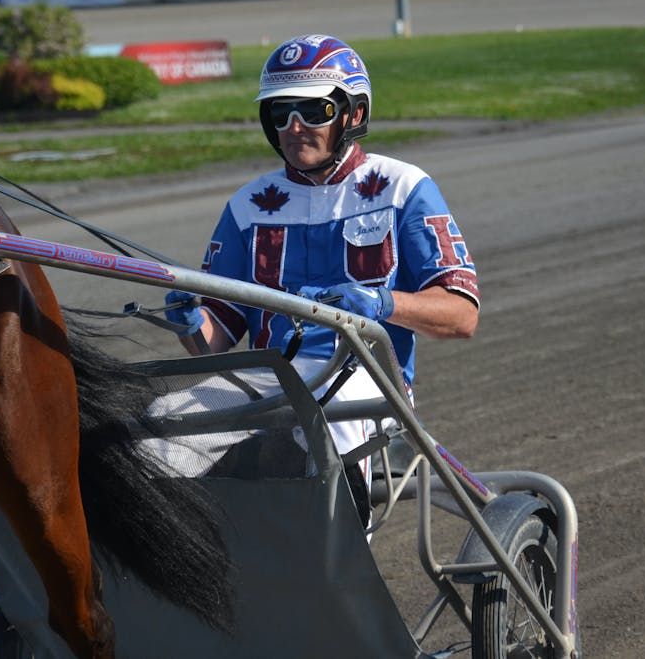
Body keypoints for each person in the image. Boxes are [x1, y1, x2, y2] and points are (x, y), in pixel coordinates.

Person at [165, 34, 479, 520]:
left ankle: (337, 576)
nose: (294, 128)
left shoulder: (402, 187)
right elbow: (215, 339)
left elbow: (461, 315)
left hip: (367, 378)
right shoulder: (249, 205)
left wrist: (382, 305)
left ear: (354, 114)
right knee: (162, 427)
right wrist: (190, 321)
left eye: (313, 111)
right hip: (268, 374)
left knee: (324, 425)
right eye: (280, 112)